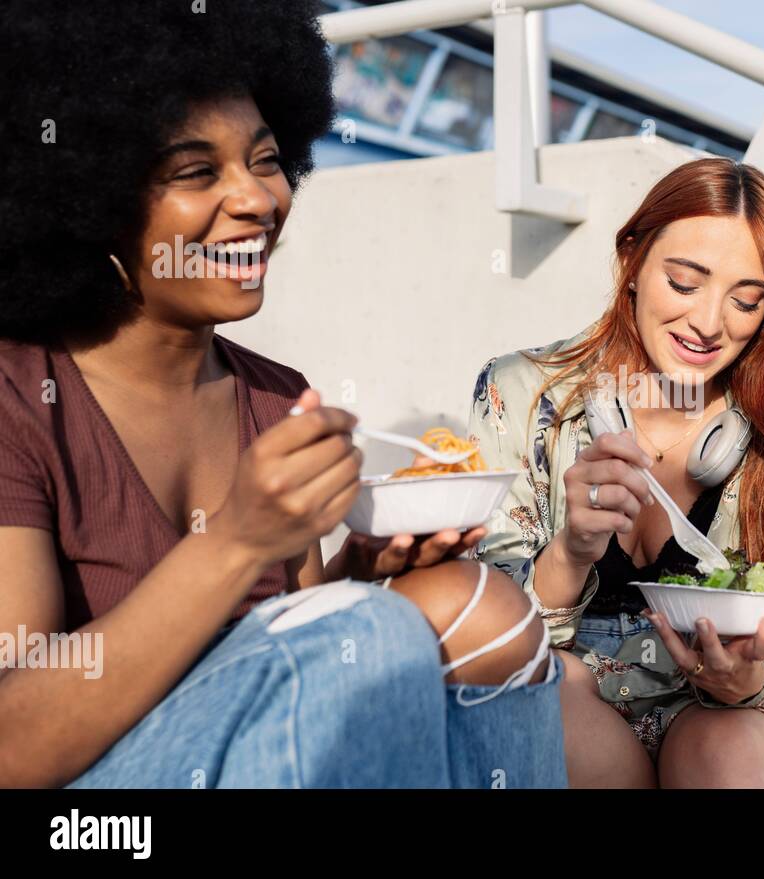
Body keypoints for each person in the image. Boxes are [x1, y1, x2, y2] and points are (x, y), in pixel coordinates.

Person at [0, 0, 565, 788]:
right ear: (87, 198)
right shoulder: (17, 396)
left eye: (265, 161)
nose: (258, 200)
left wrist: (362, 571)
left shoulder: (273, 396)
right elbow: (13, 748)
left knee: (482, 604)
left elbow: (287, 638)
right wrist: (236, 540)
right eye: (198, 172)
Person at [466, 158, 764, 788]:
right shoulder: (522, 392)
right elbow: (483, 632)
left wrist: (742, 679)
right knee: (555, 692)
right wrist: (571, 552)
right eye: (684, 282)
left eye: (745, 300)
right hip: (563, 699)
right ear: (633, 265)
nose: (707, 323)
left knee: (727, 743)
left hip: (710, 712)